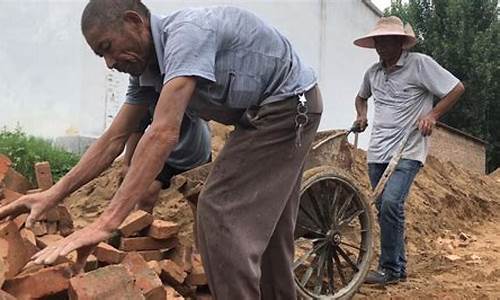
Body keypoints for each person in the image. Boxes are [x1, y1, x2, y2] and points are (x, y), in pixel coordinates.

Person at [0, 1, 323, 298]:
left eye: (108, 48)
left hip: (288, 107)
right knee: (272, 228)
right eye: (102, 56)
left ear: (133, 22)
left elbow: (163, 132)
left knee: (218, 211)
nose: (110, 63)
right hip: (265, 113)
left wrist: (105, 223)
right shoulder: (146, 72)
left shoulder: (187, 35)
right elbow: (113, 139)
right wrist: (52, 194)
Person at [352, 16, 465, 285]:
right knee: (384, 208)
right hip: (377, 150)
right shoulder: (373, 73)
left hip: (408, 149)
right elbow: (361, 97)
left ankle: (390, 268)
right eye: (378, 41)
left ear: (401, 43)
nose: (381, 46)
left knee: (392, 202)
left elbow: (456, 88)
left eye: (387, 40)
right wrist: (361, 115)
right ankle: (398, 267)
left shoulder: (420, 64)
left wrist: (433, 116)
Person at [122, 109, 211, 213]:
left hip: (195, 152)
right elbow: (137, 129)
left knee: (199, 205)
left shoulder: (196, 94)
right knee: (146, 196)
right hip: (161, 152)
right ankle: (140, 227)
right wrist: (127, 164)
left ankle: (200, 229)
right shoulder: (148, 94)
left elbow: (211, 112)